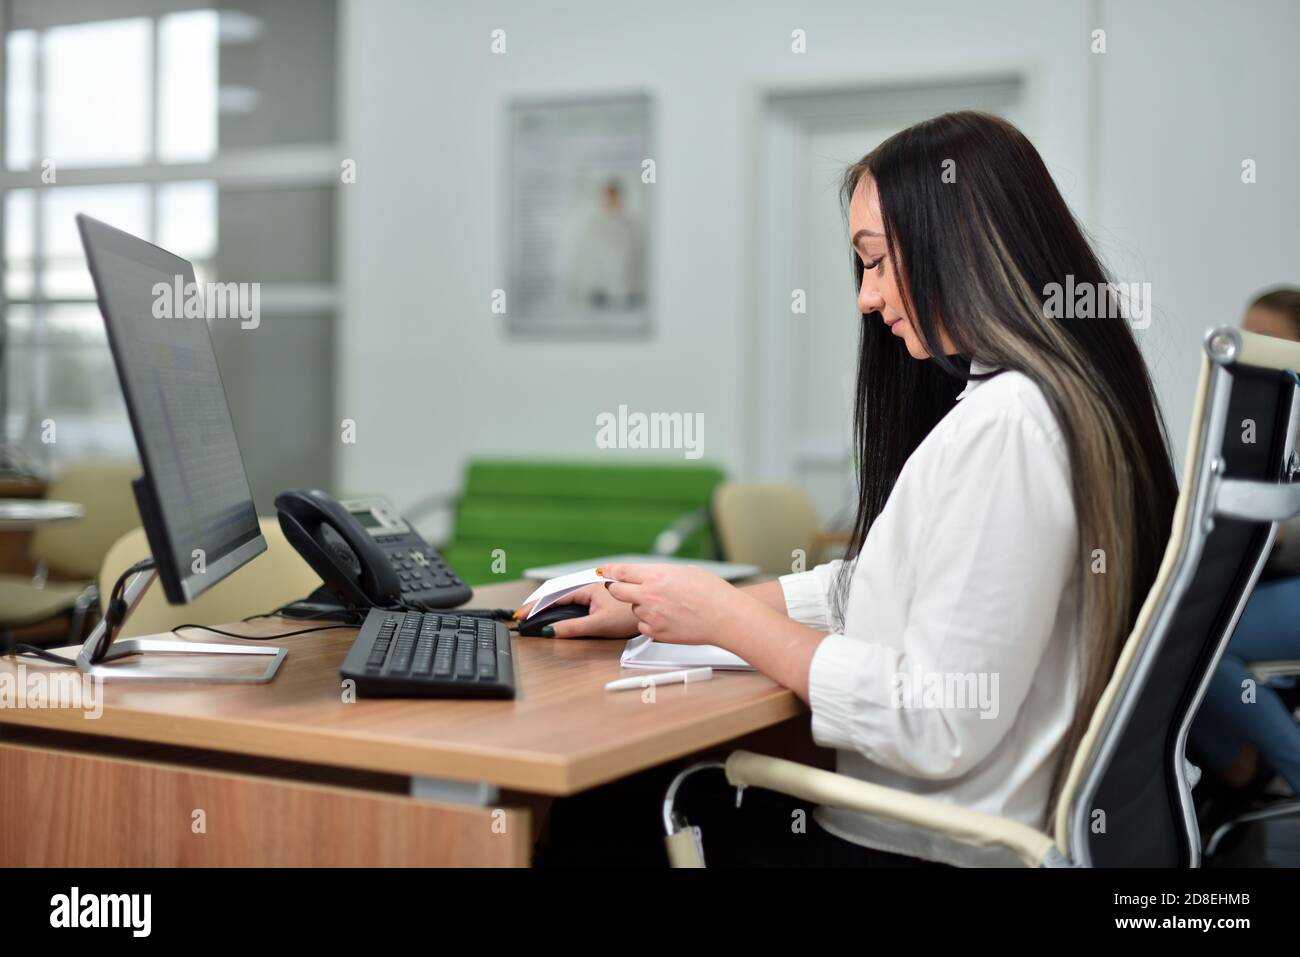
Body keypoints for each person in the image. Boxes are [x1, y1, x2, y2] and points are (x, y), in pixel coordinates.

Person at [535, 111, 1178, 866]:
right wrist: (685, 607)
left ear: (960, 244)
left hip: (931, 848)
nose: (866, 298)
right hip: (971, 829)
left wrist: (725, 618)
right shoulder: (1040, 403)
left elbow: (936, 718)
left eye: (875, 261)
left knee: (595, 816)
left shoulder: (1009, 427)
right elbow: (886, 587)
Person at [1189, 289, 1300, 798]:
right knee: (1168, 634)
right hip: (1275, 581)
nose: (1251, 349)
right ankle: (1240, 762)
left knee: (1206, 641)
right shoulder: (1255, 421)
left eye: (1269, 339)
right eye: (1246, 334)